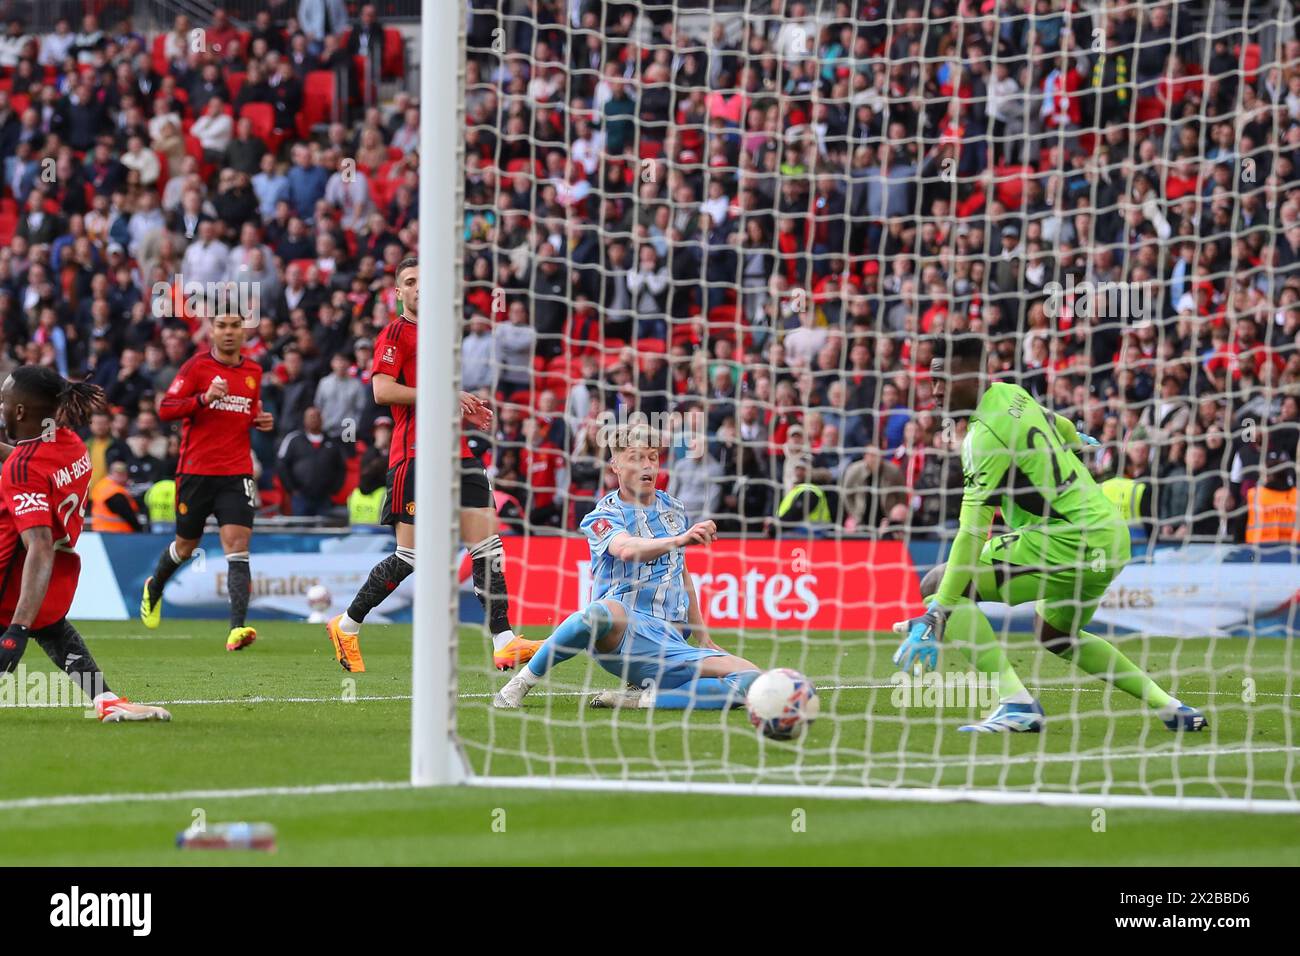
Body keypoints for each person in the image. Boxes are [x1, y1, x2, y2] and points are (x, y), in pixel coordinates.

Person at [892, 335, 1206, 733]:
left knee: (939, 584)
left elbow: (972, 533)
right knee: (1056, 634)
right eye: (931, 380)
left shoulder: (983, 437)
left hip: (1069, 540)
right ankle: (1172, 707)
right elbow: (1053, 421)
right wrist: (1077, 439)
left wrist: (938, 612)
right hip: (1111, 537)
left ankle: (1017, 704)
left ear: (972, 375)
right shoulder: (1011, 393)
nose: (934, 391)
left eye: (944, 380)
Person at [326, 258, 541, 672]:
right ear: (399, 293)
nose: (419, 287)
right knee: (409, 556)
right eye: (410, 281)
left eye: (426, 280)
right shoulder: (394, 332)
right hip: (416, 456)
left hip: (456, 452)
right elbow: (383, 390)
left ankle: (504, 639)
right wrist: (445, 393)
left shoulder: (441, 334)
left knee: (487, 545)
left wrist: (461, 402)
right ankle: (347, 625)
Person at [494, 423, 762, 711]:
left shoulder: (673, 508)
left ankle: (644, 698)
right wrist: (680, 539)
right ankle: (519, 684)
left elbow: (680, 571)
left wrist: (703, 635)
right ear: (615, 465)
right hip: (624, 632)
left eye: (652, 456)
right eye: (635, 457)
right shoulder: (603, 515)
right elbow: (625, 549)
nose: (647, 466)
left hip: (671, 641)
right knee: (597, 612)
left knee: (752, 681)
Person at [0, 367, 169, 722]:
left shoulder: (23, 468)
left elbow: (39, 545)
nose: (0, 406)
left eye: (4, 400)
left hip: (11, 578)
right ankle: (105, 699)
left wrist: (17, 630)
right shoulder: (70, 444)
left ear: (19, 412)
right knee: (54, 628)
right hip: (49, 575)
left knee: (43, 628)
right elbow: (27, 463)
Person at [142, 313, 275, 651]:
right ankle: (154, 587)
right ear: (211, 331)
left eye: (234, 326)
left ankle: (237, 629)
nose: (228, 332)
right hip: (196, 472)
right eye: (221, 326)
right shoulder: (195, 367)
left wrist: (259, 419)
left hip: (236, 471)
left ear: (243, 330)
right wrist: (203, 399)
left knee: (238, 545)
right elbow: (167, 409)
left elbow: (247, 411)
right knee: (186, 546)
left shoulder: (254, 372)